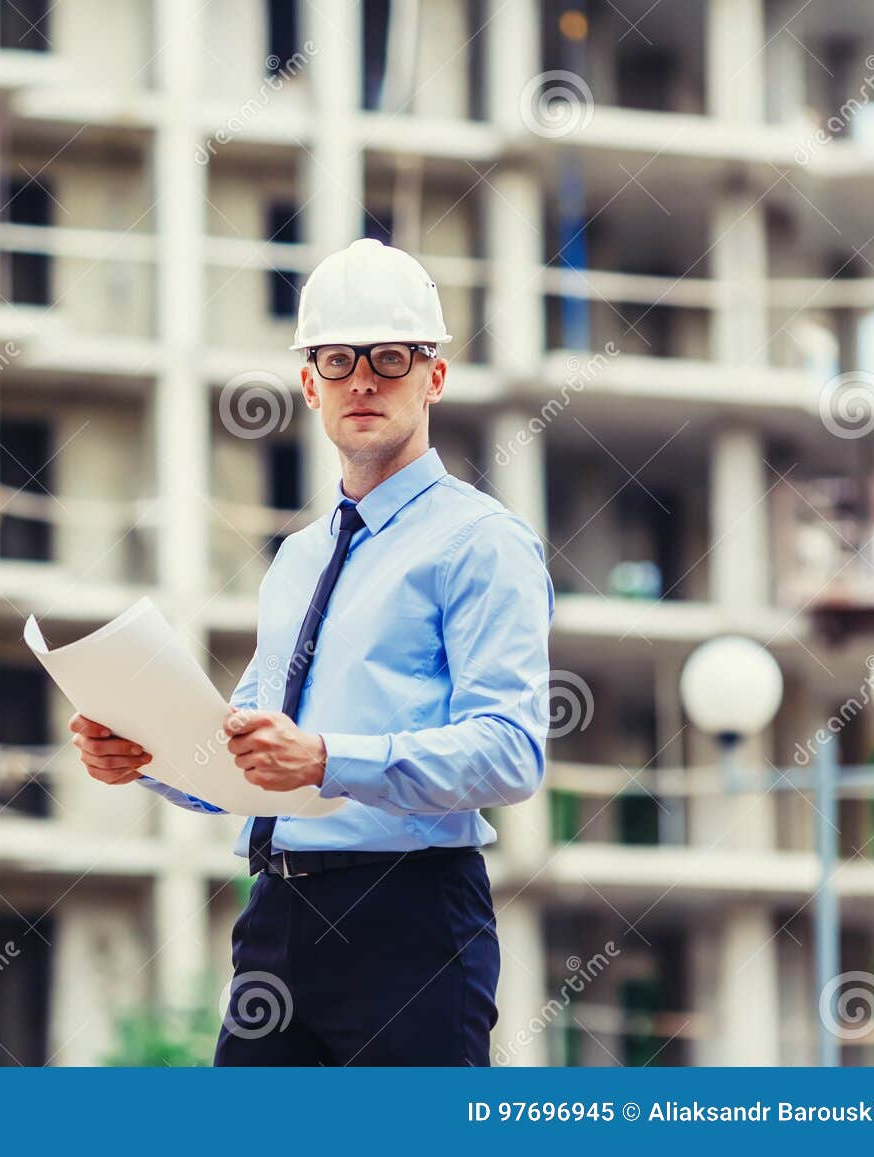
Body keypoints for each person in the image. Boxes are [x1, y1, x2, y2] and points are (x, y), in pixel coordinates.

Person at [70, 238, 554, 1066]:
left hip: (409, 923)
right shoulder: (297, 559)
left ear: (433, 377)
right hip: (277, 919)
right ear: (310, 383)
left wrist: (326, 758)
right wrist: (143, 756)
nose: (362, 379)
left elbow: (512, 754)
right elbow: (251, 760)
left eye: (390, 357)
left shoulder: (482, 542)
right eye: (338, 359)